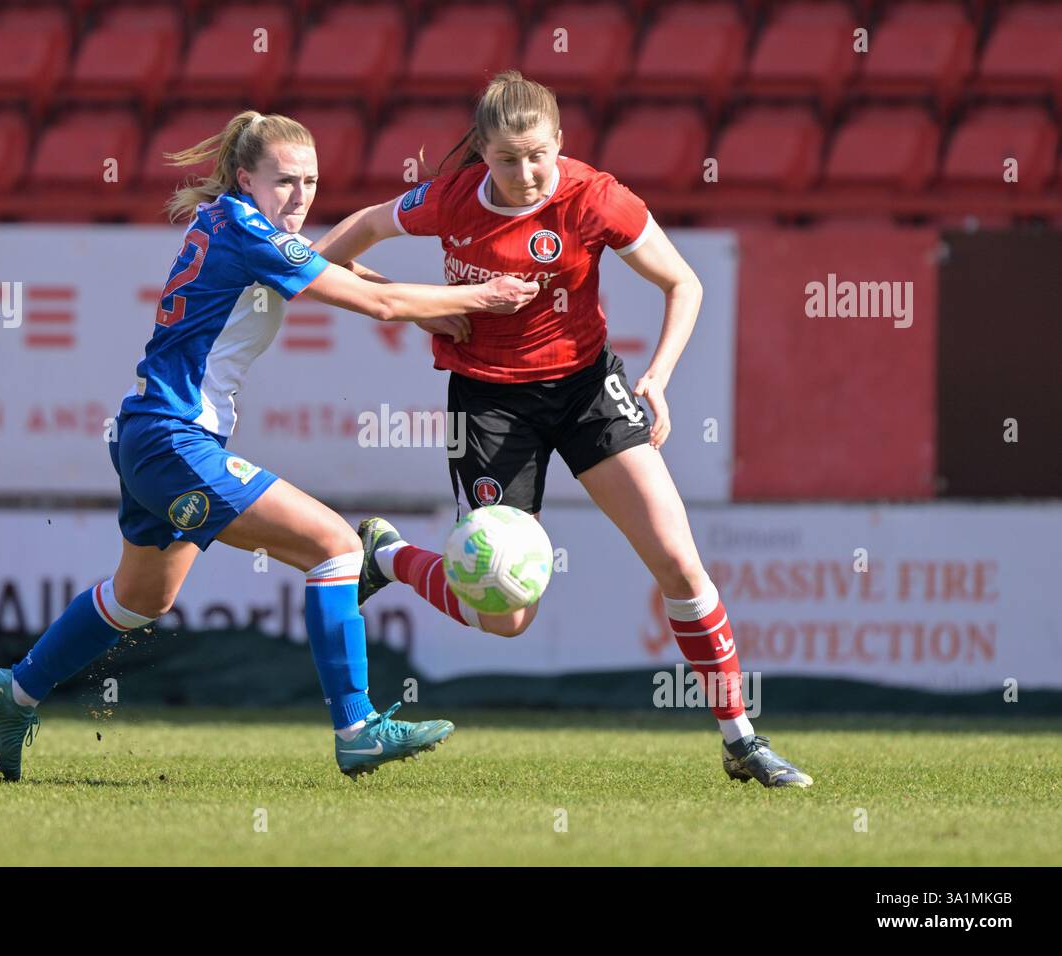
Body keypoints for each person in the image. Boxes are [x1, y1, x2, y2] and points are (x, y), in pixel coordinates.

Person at [0, 110, 538, 781]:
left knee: (140, 600)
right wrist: (479, 296)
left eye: (311, 181)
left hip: (150, 436)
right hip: (174, 439)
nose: (300, 195)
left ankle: (18, 690)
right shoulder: (246, 230)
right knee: (335, 547)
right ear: (246, 177)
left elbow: (344, 277)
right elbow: (375, 304)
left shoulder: (229, 224)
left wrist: (439, 308)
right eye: (285, 181)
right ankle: (357, 728)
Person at [313, 73, 812, 788]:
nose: (526, 174)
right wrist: (419, 307)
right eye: (508, 159)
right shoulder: (447, 200)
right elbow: (341, 244)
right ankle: (388, 556)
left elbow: (684, 283)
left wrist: (659, 376)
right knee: (507, 617)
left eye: (539, 156)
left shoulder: (594, 197)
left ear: (561, 144)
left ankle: (742, 740)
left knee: (677, 559)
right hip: (487, 403)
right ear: (481, 153)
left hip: (586, 389)